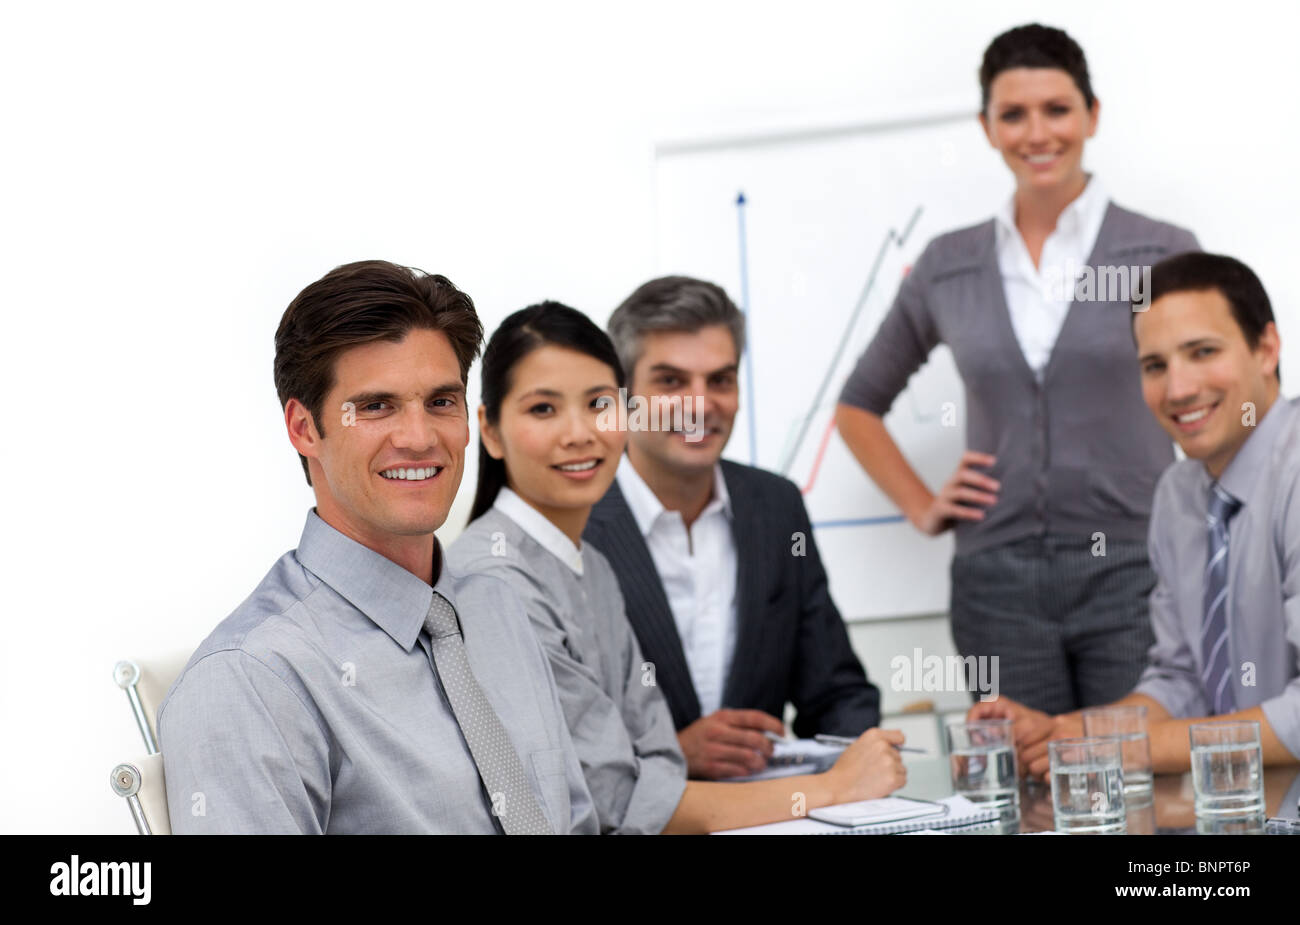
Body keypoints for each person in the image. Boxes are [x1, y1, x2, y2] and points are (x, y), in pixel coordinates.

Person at [835, 23, 1199, 715]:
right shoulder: (949, 264)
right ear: (986, 127)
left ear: (1093, 115)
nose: (1037, 132)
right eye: (1013, 114)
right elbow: (857, 404)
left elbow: (1211, 387)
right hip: (994, 583)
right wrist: (921, 503)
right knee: (1024, 796)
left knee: (1137, 782)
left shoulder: (1159, 252)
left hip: (1134, 566)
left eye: (1057, 109)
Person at [157, 261, 597, 834]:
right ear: (304, 428)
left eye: (441, 401)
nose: (419, 438)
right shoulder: (252, 679)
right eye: (376, 406)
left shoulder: (500, 610)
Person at [447, 301, 906, 834]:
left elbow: (657, 759)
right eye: (543, 409)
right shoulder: (492, 580)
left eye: (598, 404)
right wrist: (831, 788)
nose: (579, 433)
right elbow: (618, 798)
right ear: (492, 430)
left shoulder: (586, 564)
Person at [973, 252, 1299, 775]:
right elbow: (1184, 680)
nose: (1179, 389)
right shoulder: (1178, 494)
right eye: (1155, 366)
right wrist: (1068, 734)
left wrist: (1130, 749)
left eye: (1202, 351)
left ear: (1266, 348)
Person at [583, 276, 881, 781]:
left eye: (720, 380)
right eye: (672, 382)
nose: (700, 404)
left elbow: (836, 692)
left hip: (767, 817)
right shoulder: (577, 520)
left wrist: (857, 775)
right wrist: (669, 754)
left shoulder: (776, 506)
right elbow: (548, 738)